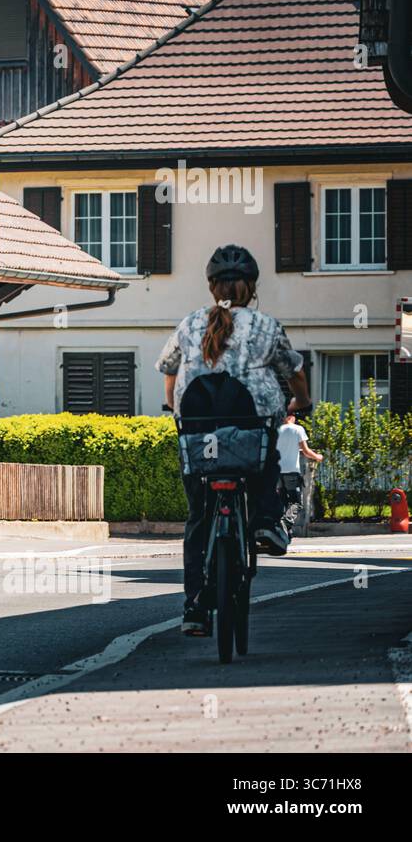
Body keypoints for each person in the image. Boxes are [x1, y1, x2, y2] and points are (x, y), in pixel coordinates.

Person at [156, 244, 310, 637]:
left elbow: (169, 372)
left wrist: (173, 406)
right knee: (265, 457)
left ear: (211, 287)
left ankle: (194, 608)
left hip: (197, 429)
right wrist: (302, 402)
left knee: (198, 518)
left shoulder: (190, 324)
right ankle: (265, 523)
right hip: (250, 425)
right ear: (252, 286)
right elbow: (293, 371)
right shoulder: (265, 326)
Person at [277, 412, 323, 532]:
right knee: (296, 502)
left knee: (282, 501)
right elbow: (306, 450)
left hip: (277, 472)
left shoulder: (276, 430)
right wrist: (318, 456)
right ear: (291, 417)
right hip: (291, 471)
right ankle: (286, 522)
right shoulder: (298, 429)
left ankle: (281, 529)